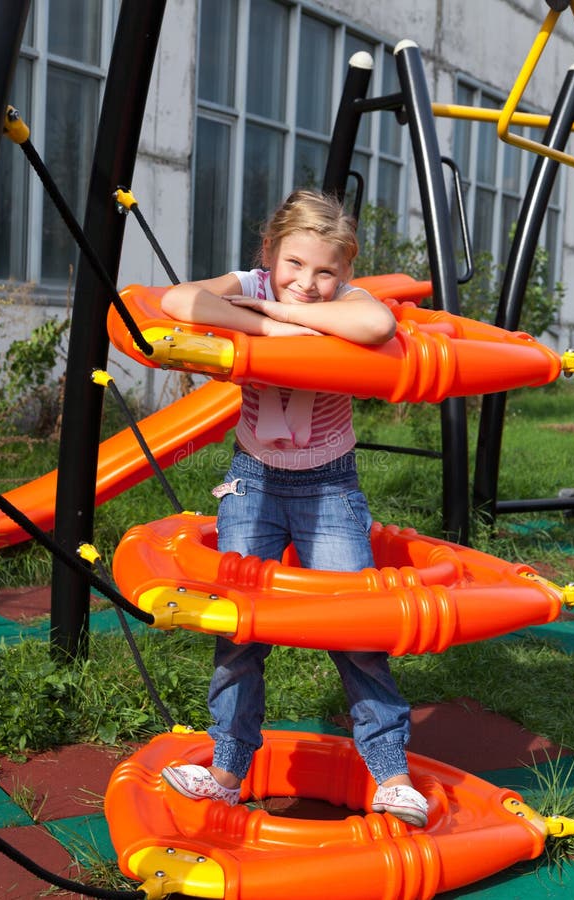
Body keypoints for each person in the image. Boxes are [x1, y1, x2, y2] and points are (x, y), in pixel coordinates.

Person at [159, 189, 428, 827]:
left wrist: (278, 317)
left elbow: (379, 327)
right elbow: (177, 300)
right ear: (269, 254)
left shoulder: (348, 302)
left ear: (345, 271)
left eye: (325, 271)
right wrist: (265, 322)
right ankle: (228, 770)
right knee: (239, 628)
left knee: (355, 626)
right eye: (294, 266)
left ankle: (390, 772)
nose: (307, 283)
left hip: (329, 487)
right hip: (253, 482)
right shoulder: (251, 282)